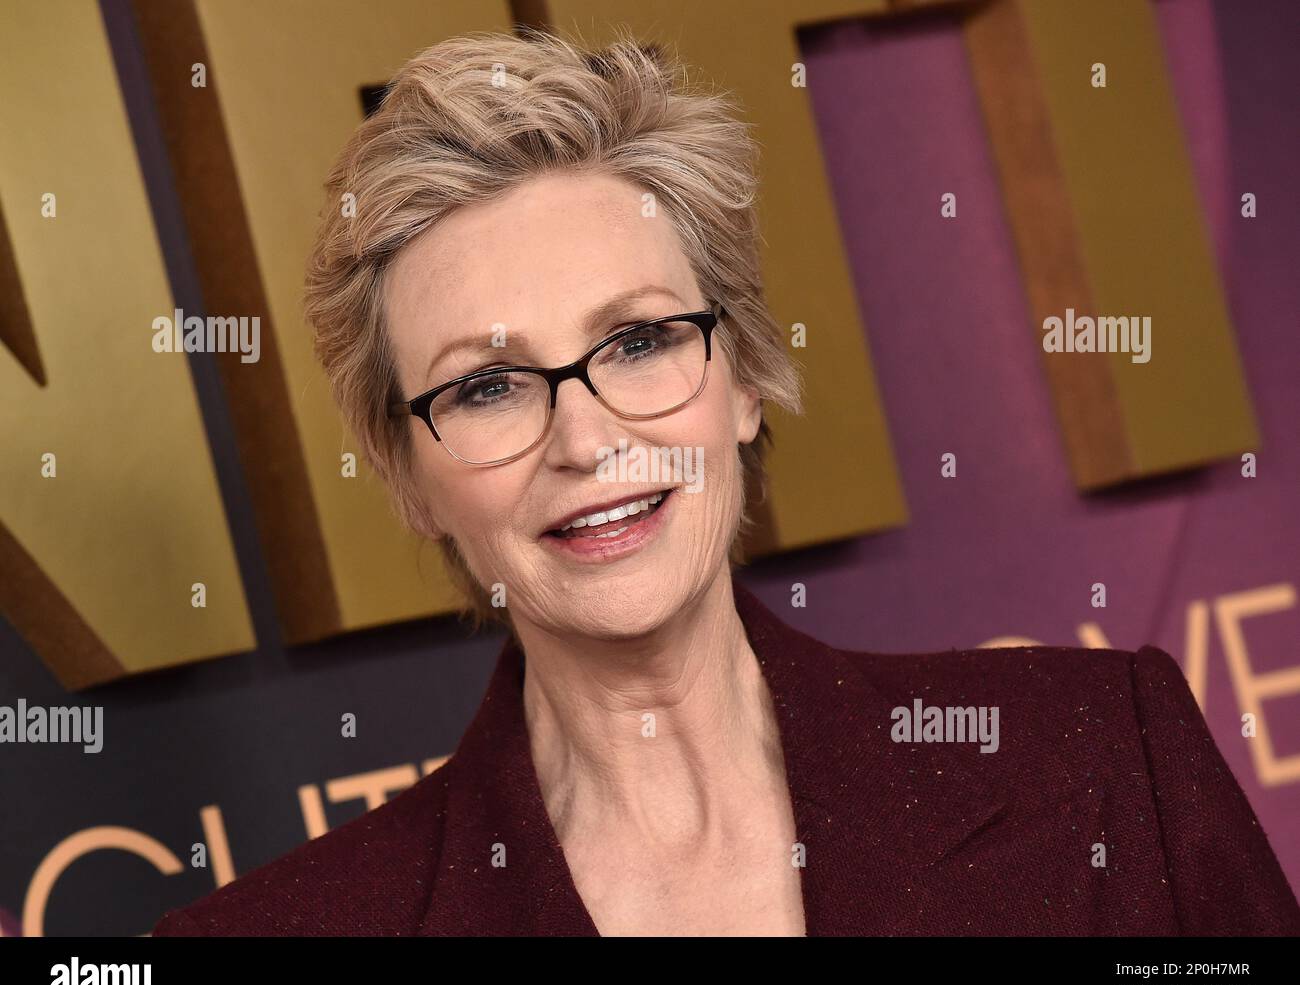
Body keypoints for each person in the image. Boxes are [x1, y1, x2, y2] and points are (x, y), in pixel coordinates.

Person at [152, 28, 1299, 937]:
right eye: (490, 385)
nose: (587, 439)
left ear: (742, 375)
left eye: (640, 342)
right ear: (409, 479)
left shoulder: (1100, 759)